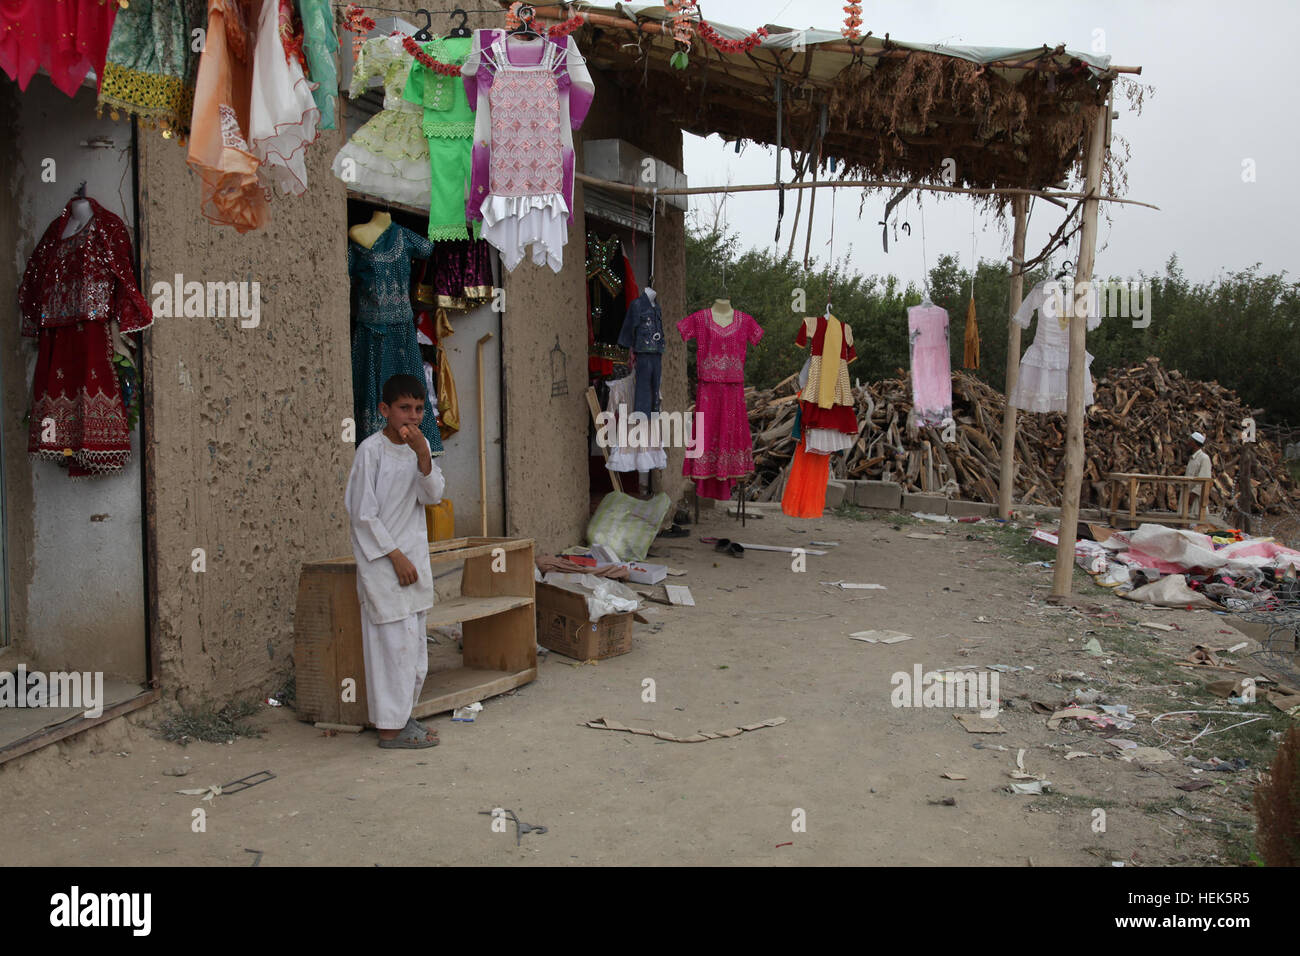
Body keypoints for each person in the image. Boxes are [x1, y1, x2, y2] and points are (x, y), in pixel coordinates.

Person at [345, 374, 446, 748]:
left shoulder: (420, 450)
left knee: (414, 653)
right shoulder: (369, 452)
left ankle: (404, 719)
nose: (413, 417)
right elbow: (362, 514)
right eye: (404, 408)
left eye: (419, 409)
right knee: (391, 648)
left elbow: (433, 495)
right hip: (385, 565)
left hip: (413, 564)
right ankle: (389, 729)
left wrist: (423, 454)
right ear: (385, 410)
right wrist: (396, 556)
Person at [1185, 431, 1212, 514]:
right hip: (1187, 497)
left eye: (1189, 442)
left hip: (1196, 500)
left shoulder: (1204, 458)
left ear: (1194, 444)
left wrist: (1192, 496)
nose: (1187, 444)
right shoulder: (1192, 458)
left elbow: (1204, 480)